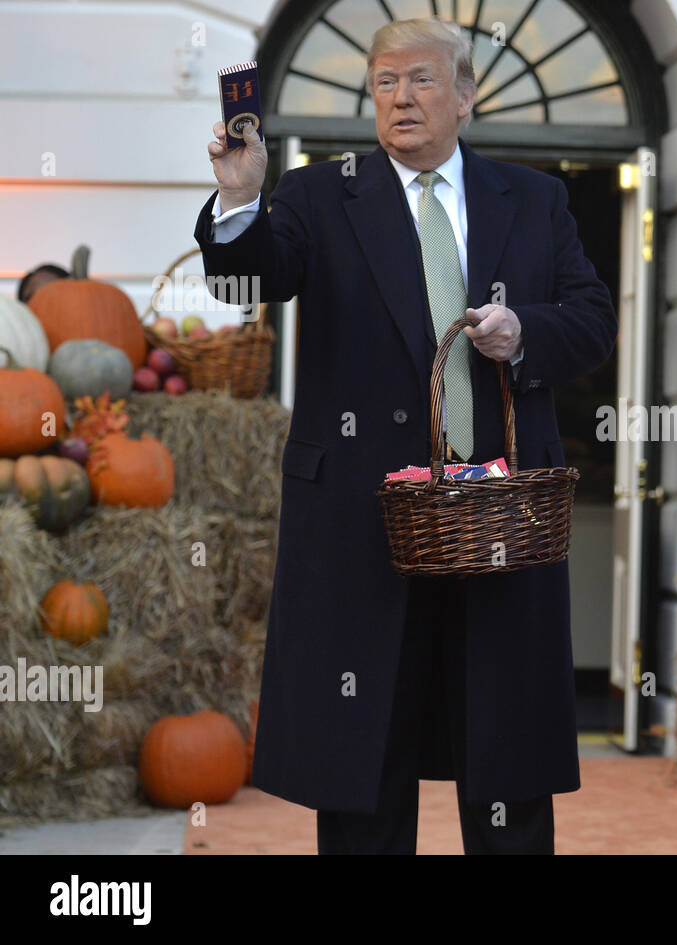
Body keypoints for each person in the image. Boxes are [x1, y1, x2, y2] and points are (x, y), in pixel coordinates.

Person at [196, 16, 616, 854]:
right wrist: (242, 197)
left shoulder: (533, 200)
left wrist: (522, 331)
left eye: (421, 80)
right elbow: (250, 277)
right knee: (364, 761)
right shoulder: (321, 193)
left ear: (464, 97)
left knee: (507, 763)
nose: (400, 97)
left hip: (496, 526)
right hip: (362, 524)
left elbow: (594, 321)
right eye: (384, 82)